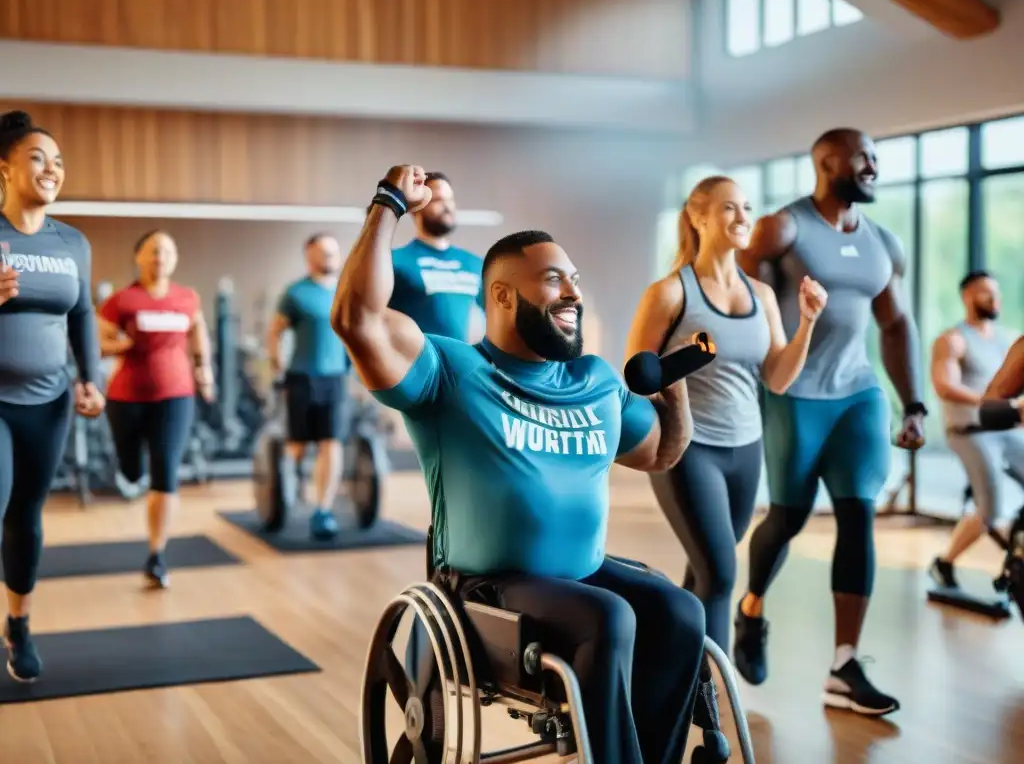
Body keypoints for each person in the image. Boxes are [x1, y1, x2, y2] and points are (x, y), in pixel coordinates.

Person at [334, 165, 706, 764]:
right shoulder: (451, 372)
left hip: (580, 577)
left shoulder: (595, 379)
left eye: (576, 280)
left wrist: (677, 402)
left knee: (680, 610)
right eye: (554, 280)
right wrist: (387, 205)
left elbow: (657, 452)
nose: (574, 293)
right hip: (490, 590)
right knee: (609, 617)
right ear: (503, 295)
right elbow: (357, 320)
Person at [736, 128, 927, 717]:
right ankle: (751, 608)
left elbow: (895, 325)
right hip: (793, 393)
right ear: (828, 162)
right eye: (864, 156)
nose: (874, 166)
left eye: (875, 157)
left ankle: (845, 663)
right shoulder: (781, 228)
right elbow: (739, 300)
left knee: (858, 514)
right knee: (787, 519)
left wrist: (913, 403)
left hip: (857, 395)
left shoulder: (882, 243)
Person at [626, 175, 826, 730]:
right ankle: (710, 707)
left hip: (746, 449)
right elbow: (636, 379)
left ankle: (669, 680)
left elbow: (779, 378)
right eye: (729, 208)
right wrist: (679, 371)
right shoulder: (669, 294)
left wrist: (807, 320)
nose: (743, 217)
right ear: (699, 218)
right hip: (687, 449)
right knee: (719, 571)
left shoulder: (761, 296)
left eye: (747, 208)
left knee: (704, 573)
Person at [0, 109, 105, 682]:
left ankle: (18, 623)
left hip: (48, 404)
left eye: (58, 160)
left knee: (25, 517)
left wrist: (93, 378)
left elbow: (84, 312)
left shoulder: (74, 243)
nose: (51, 168)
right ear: (5, 169)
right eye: (37, 157)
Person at [97, 230, 214, 589]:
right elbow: (97, 342)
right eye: (153, 251)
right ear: (139, 257)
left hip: (176, 394)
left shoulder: (187, 298)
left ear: (174, 258)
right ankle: (133, 474)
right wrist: (120, 345)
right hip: (126, 397)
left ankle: (156, 555)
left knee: (165, 474)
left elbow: (198, 334)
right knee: (132, 472)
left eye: (167, 250)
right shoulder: (122, 300)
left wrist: (204, 370)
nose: (160, 257)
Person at [930, 271, 1024, 588]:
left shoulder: (1008, 339)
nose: (995, 299)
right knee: (991, 508)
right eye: (986, 293)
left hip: (1006, 429)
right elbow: (944, 386)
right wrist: (991, 403)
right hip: (970, 432)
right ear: (967, 296)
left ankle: (1016, 557)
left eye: (996, 293)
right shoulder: (953, 340)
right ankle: (944, 563)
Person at [267, 233, 351, 539]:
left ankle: (323, 510)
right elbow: (275, 332)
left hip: (335, 378)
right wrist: (277, 366)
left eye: (333, 251)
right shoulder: (296, 293)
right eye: (323, 252)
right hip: (301, 377)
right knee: (298, 446)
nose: (329, 257)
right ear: (309, 255)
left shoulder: (347, 291)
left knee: (331, 441)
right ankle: (296, 479)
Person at [388, 171, 484, 341]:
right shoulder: (394, 261)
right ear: (416, 208)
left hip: (458, 365)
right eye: (438, 200)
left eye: (450, 199)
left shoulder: (473, 263)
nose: (447, 206)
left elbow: (498, 314)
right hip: (414, 364)